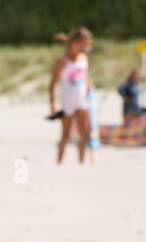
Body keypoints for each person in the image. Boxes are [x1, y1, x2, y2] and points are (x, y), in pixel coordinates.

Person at [48, 27, 92, 164]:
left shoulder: (84, 58)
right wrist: (52, 104)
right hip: (67, 101)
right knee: (65, 134)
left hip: (82, 100)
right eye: (84, 43)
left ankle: (81, 163)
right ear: (75, 42)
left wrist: (89, 85)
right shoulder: (62, 61)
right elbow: (52, 85)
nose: (86, 46)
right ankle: (59, 163)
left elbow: (85, 76)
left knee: (84, 132)